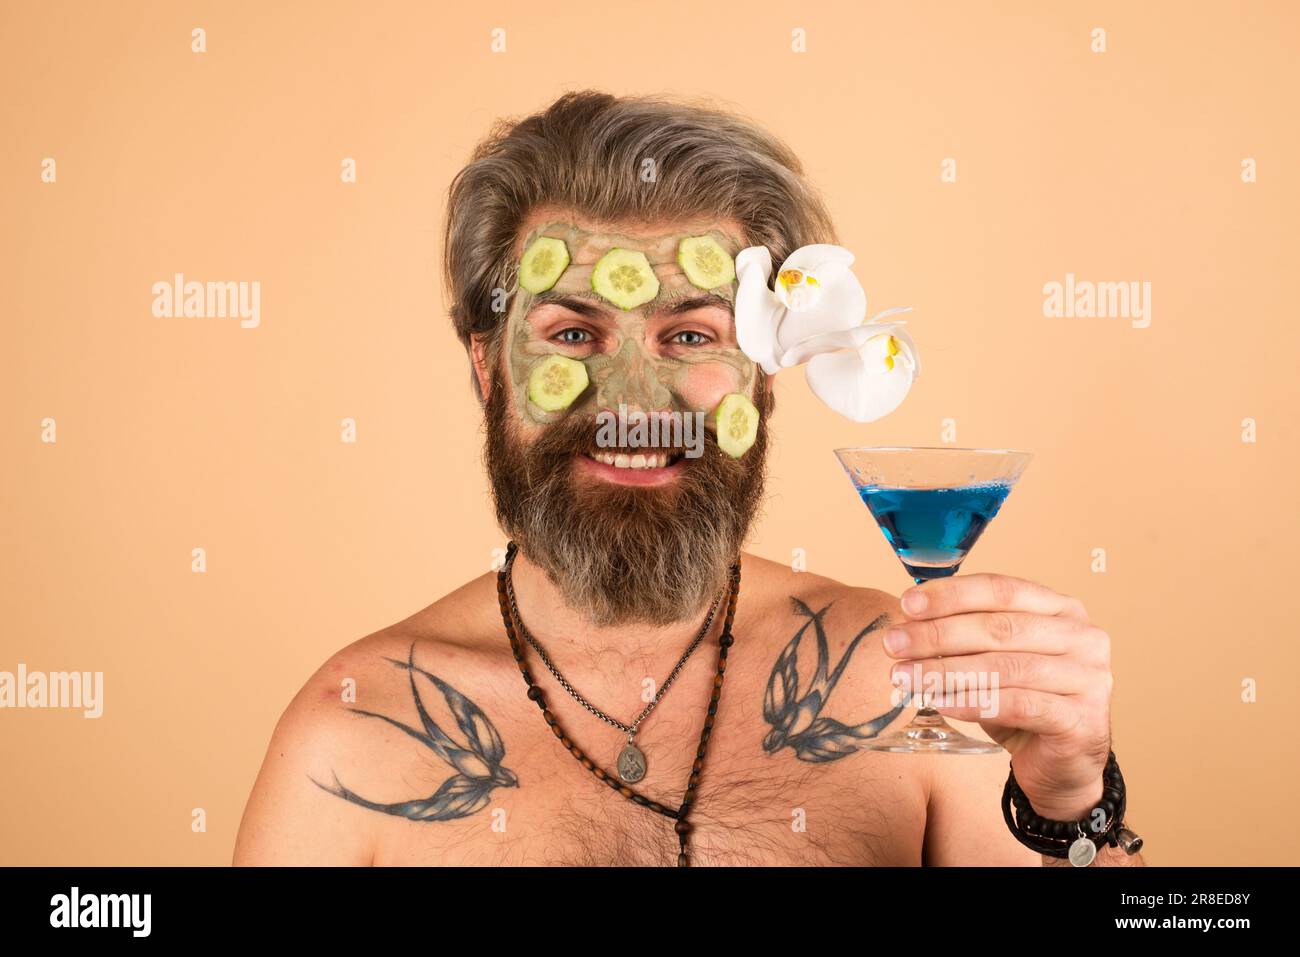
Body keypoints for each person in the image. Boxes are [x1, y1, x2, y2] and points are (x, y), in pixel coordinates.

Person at [233, 91, 1142, 867]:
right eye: (573, 333)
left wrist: (1069, 799)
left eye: (693, 336)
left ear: (770, 369)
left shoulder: (913, 682)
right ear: (487, 368)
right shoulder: (353, 735)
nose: (634, 398)